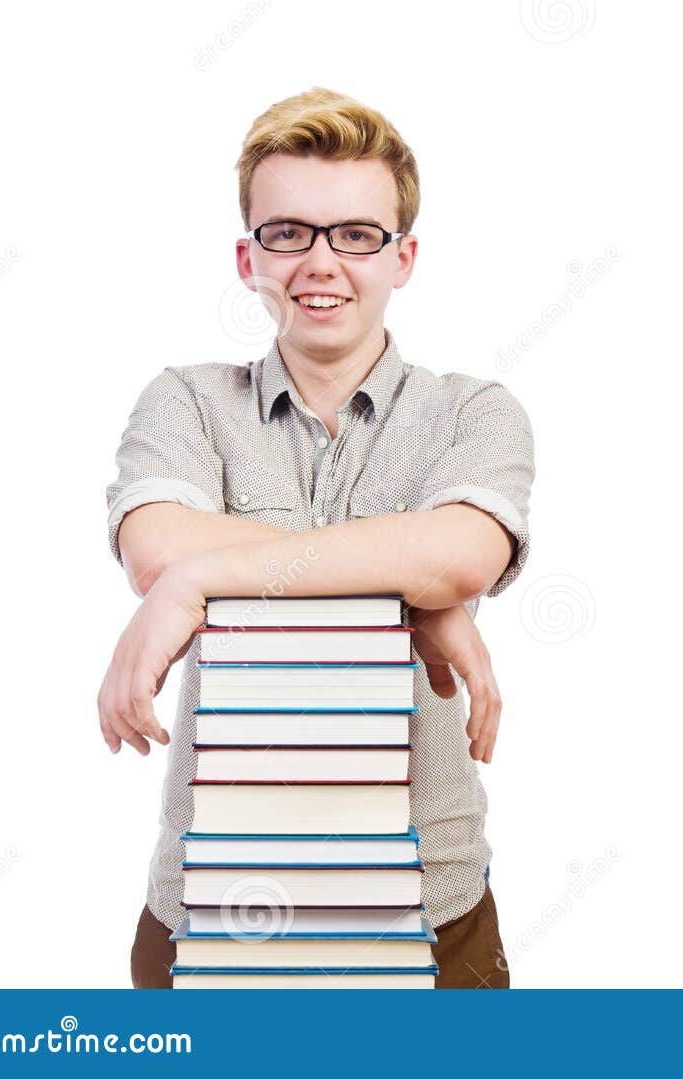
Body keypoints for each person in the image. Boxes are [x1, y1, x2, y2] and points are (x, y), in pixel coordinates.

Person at [102, 87, 533, 988]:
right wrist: (411, 601)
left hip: (431, 905)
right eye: (287, 233)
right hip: (208, 901)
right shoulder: (184, 400)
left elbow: (461, 555)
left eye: (356, 234)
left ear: (403, 255)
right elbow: (153, 544)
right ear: (247, 254)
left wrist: (202, 582)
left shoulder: (474, 412)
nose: (320, 262)